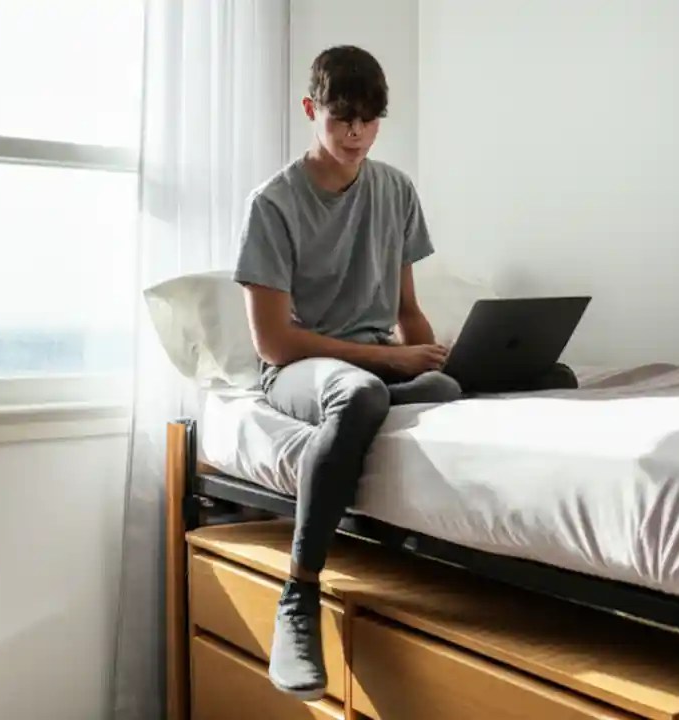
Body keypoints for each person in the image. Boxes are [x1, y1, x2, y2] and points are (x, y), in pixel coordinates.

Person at [235, 45, 576, 699]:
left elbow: (408, 313)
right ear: (312, 110)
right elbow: (274, 342)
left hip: (376, 361)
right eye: (342, 118)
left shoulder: (394, 190)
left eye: (369, 119)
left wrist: (444, 354)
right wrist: (393, 358)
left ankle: (447, 379)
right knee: (361, 393)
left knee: (463, 383)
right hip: (302, 368)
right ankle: (298, 596)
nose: (356, 133)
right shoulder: (272, 204)